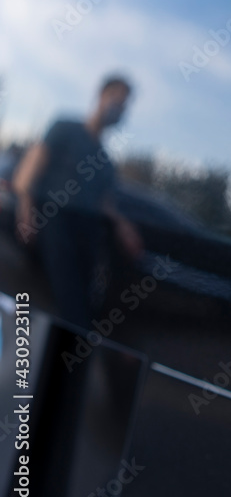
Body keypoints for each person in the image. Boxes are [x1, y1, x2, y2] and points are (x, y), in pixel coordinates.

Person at [12, 74, 143, 326]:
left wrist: (124, 227)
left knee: (86, 302)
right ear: (102, 95)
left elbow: (106, 202)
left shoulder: (105, 160)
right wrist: (25, 209)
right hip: (56, 219)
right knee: (71, 306)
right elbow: (31, 166)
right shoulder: (65, 128)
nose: (120, 108)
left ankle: (73, 348)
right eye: (118, 99)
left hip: (89, 229)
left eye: (125, 105)